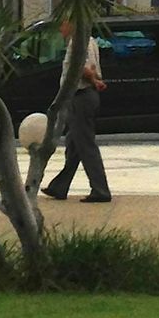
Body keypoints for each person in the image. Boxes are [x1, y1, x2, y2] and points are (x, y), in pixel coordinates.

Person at [42, 21, 112, 204]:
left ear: (72, 23)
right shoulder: (90, 41)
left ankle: (100, 189)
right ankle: (60, 186)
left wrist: (93, 81)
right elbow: (93, 68)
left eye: (62, 24)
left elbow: (82, 67)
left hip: (81, 95)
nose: (60, 29)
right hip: (83, 95)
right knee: (73, 145)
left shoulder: (78, 42)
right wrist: (95, 80)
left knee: (85, 144)